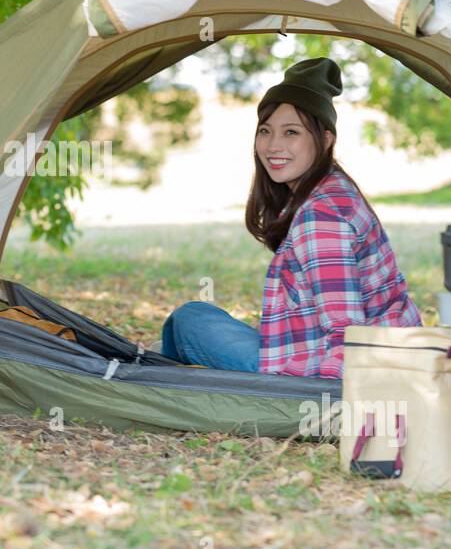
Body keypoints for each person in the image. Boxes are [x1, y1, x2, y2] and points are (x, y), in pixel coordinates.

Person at [160, 57, 421, 377]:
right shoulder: (331, 188)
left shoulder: (321, 219)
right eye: (265, 131)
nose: (273, 146)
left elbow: (346, 332)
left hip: (324, 370)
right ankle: (172, 378)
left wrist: (324, 401)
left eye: (291, 132)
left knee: (190, 319)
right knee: (198, 318)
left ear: (325, 140)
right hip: (381, 349)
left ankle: (162, 383)